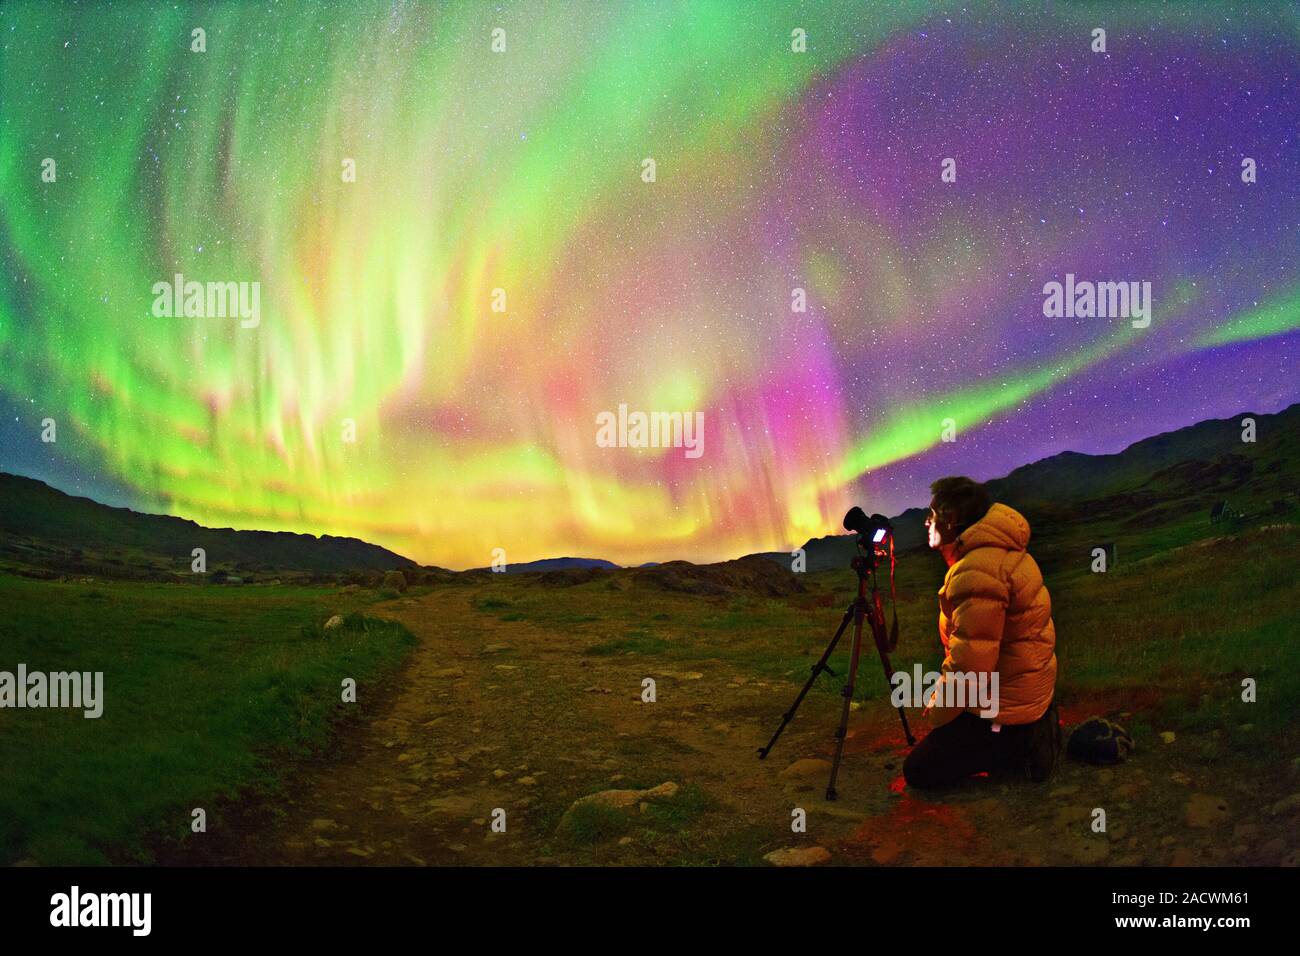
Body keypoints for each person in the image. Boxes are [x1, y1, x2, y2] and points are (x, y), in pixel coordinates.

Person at [902, 476, 1061, 788]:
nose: (926, 523)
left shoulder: (977, 571)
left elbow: (971, 667)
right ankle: (1035, 730)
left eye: (931, 516)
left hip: (1006, 710)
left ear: (951, 519)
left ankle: (1018, 749)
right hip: (1027, 694)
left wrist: (938, 713)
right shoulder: (1001, 553)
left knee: (918, 770)